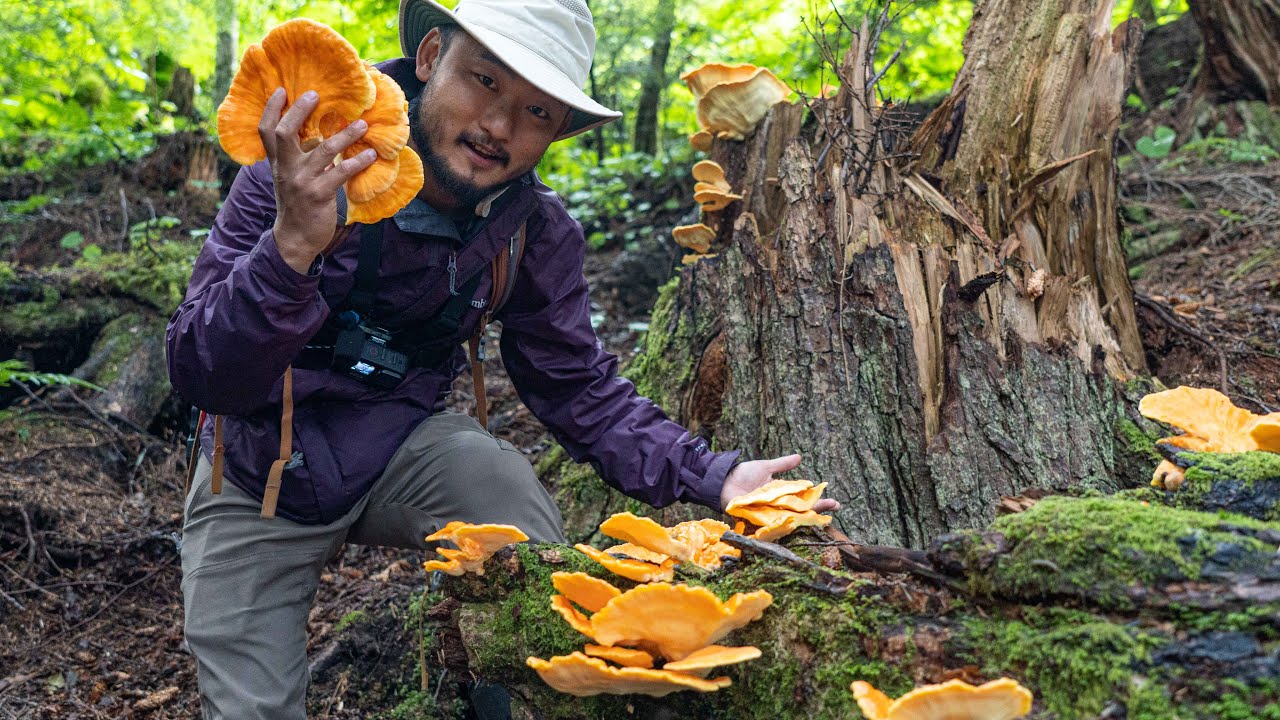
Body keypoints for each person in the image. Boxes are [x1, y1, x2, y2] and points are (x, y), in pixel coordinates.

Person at [167, 0, 837, 716]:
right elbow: (203, 372)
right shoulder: (304, 167)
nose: (499, 126)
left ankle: (521, 698)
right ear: (429, 60)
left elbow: (578, 387)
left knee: (503, 493)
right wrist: (292, 245)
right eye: (482, 80)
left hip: (397, 444)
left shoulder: (532, 233)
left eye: (538, 113)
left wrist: (716, 475)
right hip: (254, 465)